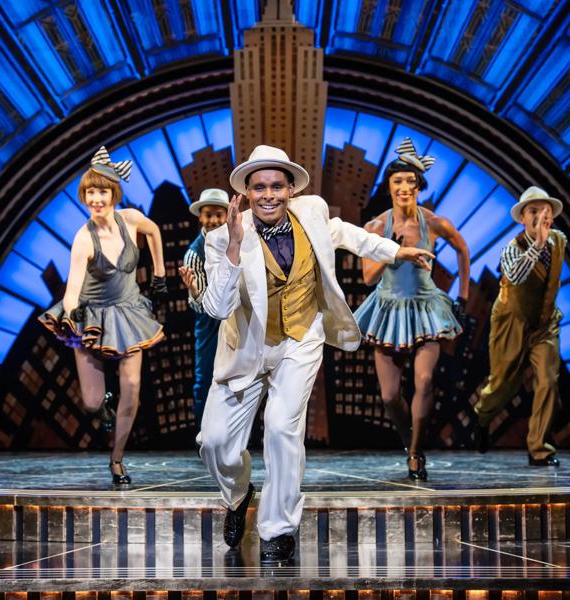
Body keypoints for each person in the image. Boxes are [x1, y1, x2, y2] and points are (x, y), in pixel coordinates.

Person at [197, 144, 434, 563]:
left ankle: (277, 529)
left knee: (282, 428)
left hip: (300, 339)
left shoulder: (312, 212)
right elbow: (216, 308)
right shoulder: (221, 238)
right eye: (259, 187)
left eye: (277, 186)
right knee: (216, 444)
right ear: (247, 193)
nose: (268, 195)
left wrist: (396, 251)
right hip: (245, 349)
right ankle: (237, 494)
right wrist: (234, 246)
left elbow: (349, 234)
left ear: (291, 189)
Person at [39, 146, 168, 485]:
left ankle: (117, 459)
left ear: (113, 194)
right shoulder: (84, 239)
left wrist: (159, 275)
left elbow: (154, 232)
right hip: (93, 317)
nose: (96, 199)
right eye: (90, 193)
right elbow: (72, 289)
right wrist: (73, 313)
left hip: (128, 311)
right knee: (92, 402)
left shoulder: (131, 220)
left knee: (133, 384)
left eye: (102, 192)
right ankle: (104, 404)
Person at [354, 138, 470, 481]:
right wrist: (390, 250)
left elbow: (462, 249)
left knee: (424, 379)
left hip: (425, 310)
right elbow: (368, 277)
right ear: (389, 186)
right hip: (388, 311)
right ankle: (410, 443)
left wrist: (463, 296)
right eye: (398, 181)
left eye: (410, 181)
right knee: (390, 396)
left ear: (419, 186)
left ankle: (417, 453)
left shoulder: (433, 222)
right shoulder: (376, 227)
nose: (404, 187)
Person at [474, 186, 566, 467]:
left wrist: (545, 242)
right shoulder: (512, 249)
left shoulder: (559, 240)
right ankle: (483, 416)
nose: (539, 216)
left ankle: (539, 449)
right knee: (502, 383)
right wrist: (537, 245)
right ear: (523, 219)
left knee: (548, 380)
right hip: (511, 323)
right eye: (532, 211)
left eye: (543, 210)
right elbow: (515, 276)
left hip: (544, 324)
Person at [179, 189, 229, 428]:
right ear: (200, 217)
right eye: (209, 214)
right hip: (210, 325)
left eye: (219, 214)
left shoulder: (237, 242)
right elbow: (200, 305)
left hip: (236, 319)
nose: (214, 220)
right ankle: (204, 433)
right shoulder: (194, 253)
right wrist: (195, 291)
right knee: (206, 378)